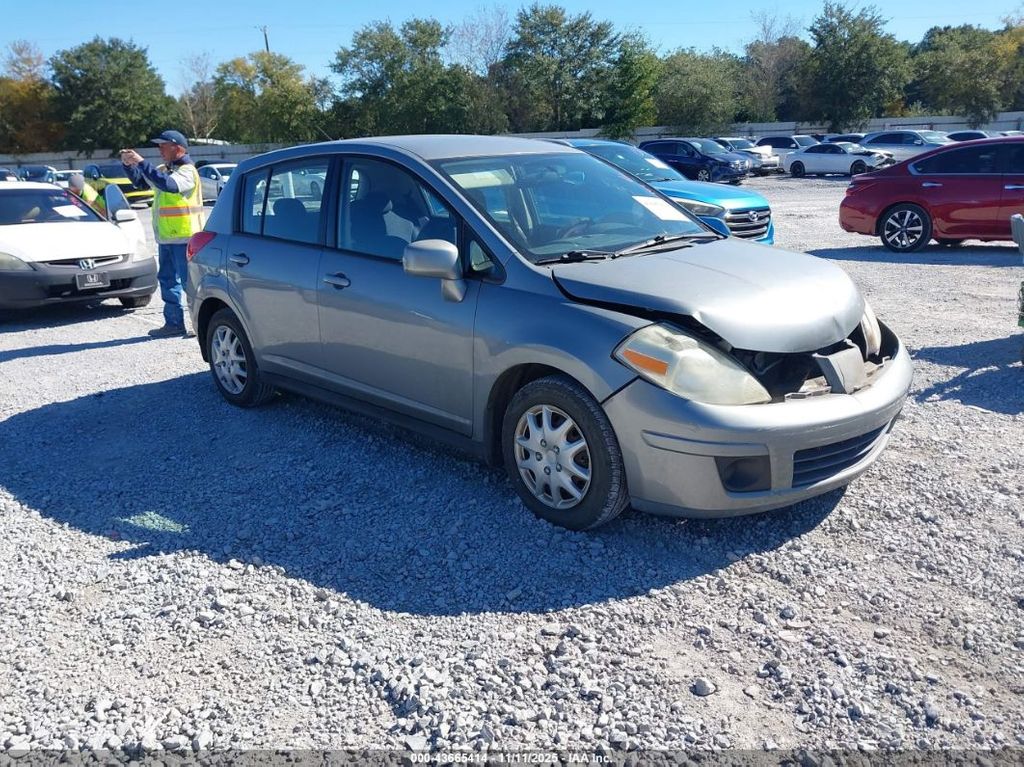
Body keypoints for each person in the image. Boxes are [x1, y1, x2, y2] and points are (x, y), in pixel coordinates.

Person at [120, 130, 205, 338]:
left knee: (189, 284)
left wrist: (141, 161)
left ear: (177, 147)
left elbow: (169, 185)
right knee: (167, 280)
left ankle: (199, 325)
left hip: (185, 238)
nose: (159, 150)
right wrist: (128, 165)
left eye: (163, 146)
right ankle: (174, 324)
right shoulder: (164, 169)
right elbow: (141, 182)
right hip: (167, 237)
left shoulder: (187, 171)